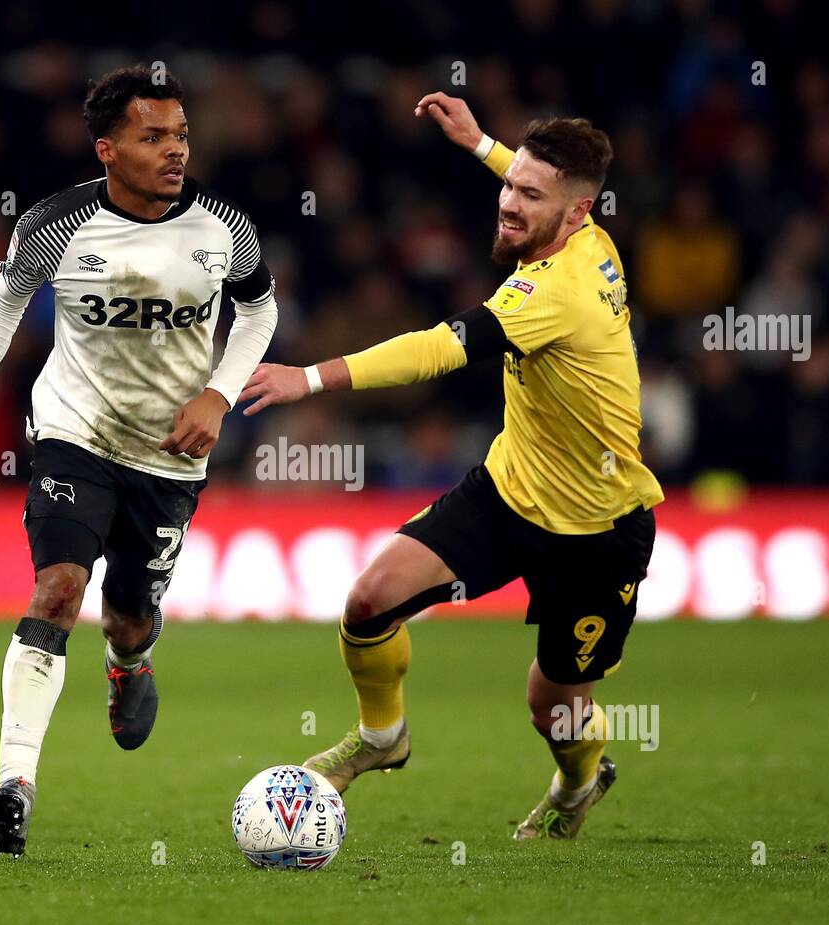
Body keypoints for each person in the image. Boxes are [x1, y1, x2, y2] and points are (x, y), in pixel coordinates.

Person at [240, 93, 661, 840]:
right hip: (508, 492)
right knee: (370, 602)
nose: (509, 203)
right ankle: (381, 739)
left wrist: (306, 378)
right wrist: (483, 145)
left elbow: (437, 347)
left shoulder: (555, 293)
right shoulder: (589, 235)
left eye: (529, 197)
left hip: (601, 530)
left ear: (575, 212)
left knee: (552, 704)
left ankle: (578, 780)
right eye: (510, 186)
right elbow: (533, 180)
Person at [0, 64, 277, 857]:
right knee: (58, 589)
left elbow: (261, 312)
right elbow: (4, 303)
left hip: (169, 454)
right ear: (107, 149)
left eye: (182, 135)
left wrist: (220, 396)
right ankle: (14, 783)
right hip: (74, 429)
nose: (175, 151)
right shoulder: (55, 225)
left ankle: (130, 662)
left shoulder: (226, 231)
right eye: (153, 136)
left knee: (128, 616)